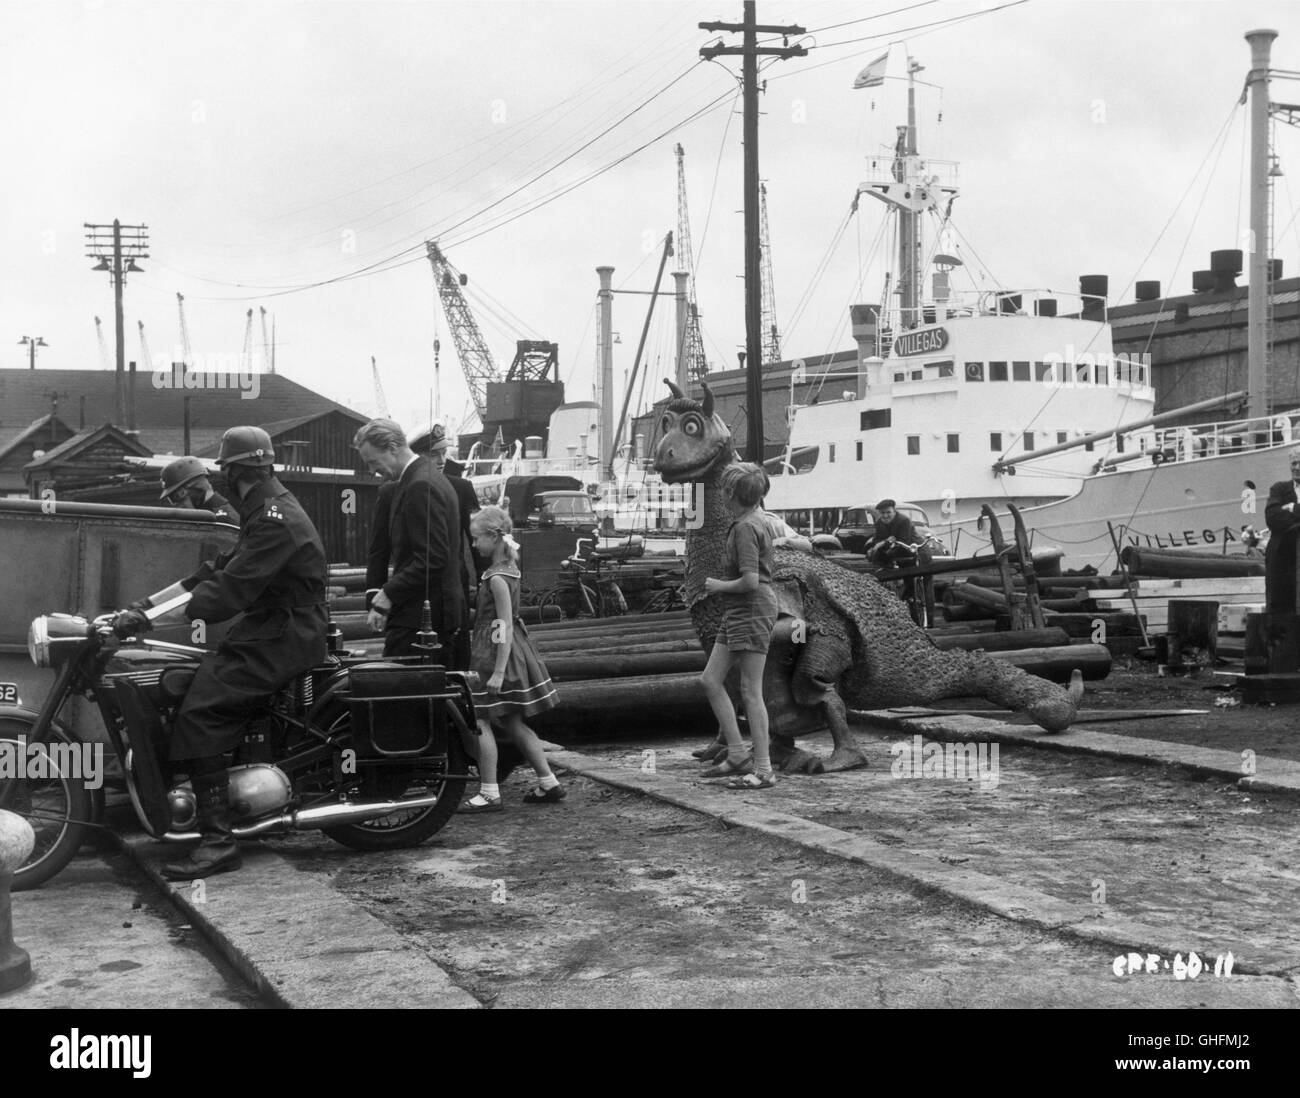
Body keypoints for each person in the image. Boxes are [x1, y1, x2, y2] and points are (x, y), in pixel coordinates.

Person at [113, 426, 329, 880]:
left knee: (203, 711)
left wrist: (154, 620)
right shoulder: (263, 508)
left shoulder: (273, 517)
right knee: (194, 682)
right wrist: (145, 606)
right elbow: (217, 569)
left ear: (234, 471)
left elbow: (230, 590)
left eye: (226, 470)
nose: (224, 478)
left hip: (285, 633)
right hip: (272, 628)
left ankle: (217, 841)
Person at [458, 506, 563, 811]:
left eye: (477, 538)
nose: (475, 544)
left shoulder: (497, 578)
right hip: (506, 647)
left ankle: (489, 792)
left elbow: (502, 626)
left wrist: (498, 672)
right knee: (513, 721)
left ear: (493, 537)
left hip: (492, 653)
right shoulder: (508, 569)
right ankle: (548, 782)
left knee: (480, 719)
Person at [355, 419, 467, 664]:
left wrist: (388, 593)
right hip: (430, 612)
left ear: (393, 447)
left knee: (402, 696)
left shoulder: (420, 485)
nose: (374, 470)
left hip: (421, 618)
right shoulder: (424, 477)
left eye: (374, 461)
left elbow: (433, 557)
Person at [697, 463, 779, 790]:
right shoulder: (755, 520)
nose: (722, 496)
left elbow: (750, 581)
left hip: (751, 608)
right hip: (739, 612)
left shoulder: (746, 528)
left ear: (733, 494)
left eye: (725, 491)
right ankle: (736, 753)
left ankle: (763, 769)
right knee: (710, 680)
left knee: (750, 690)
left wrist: (718, 586)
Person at [1264, 447, 1300, 611]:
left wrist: (1294, 508)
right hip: (1282, 559)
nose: (1297, 467)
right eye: (1294, 463)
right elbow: (1272, 517)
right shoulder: (1278, 488)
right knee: (1281, 607)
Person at [158, 456, 236, 522]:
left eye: (178, 495)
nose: (177, 506)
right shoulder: (201, 518)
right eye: (171, 499)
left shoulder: (223, 521)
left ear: (197, 489)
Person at [864, 498, 919, 564]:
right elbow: (876, 540)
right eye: (882, 513)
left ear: (894, 511)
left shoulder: (904, 521)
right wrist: (886, 541)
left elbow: (904, 542)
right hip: (895, 554)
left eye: (888, 512)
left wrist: (884, 547)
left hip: (916, 553)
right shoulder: (879, 523)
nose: (885, 516)